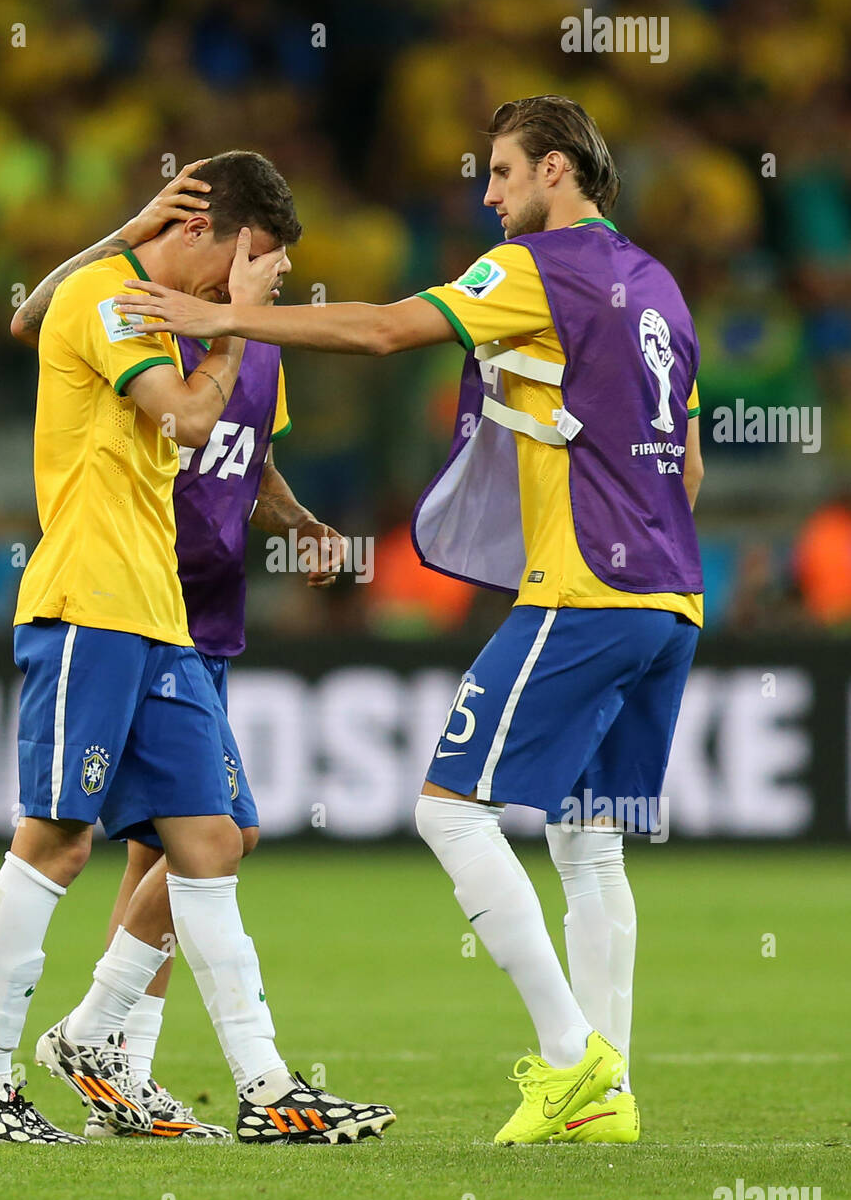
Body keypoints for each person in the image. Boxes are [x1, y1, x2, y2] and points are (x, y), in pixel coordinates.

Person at [114, 97, 705, 1146]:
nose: (487, 195)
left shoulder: (539, 268)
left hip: (587, 593)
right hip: (674, 597)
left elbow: (387, 329)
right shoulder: (662, 290)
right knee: (589, 846)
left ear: (559, 172)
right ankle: (604, 1100)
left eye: (503, 174)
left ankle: (575, 1063)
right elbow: (690, 467)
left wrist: (226, 320)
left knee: (448, 811)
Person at [0, 151, 394, 1146]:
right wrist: (225, 318)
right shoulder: (113, 299)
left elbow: (238, 448)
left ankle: (265, 1088)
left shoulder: (153, 307)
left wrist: (300, 516)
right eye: (249, 261)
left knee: (213, 840)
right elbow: (191, 419)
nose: (255, 283)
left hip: (165, 617)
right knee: (58, 840)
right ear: (199, 232)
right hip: (90, 603)